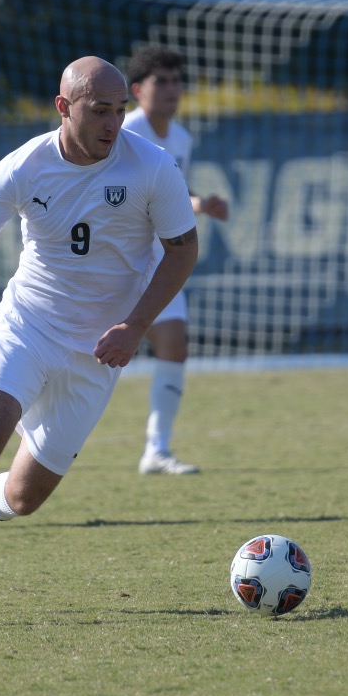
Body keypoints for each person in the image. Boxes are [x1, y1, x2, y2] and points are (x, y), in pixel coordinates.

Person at [0, 56, 198, 626]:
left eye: (120, 110)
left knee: (25, 499)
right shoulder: (24, 167)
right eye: (100, 110)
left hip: (99, 352)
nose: (113, 123)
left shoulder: (153, 167)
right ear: (64, 107)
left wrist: (135, 327)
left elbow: (183, 250)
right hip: (28, 325)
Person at [121, 44, 228, 475]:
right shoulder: (126, 132)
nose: (171, 89)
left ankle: (156, 450)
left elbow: (169, 194)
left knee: (174, 343)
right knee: (75, 355)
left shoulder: (181, 138)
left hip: (158, 259)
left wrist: (196, 202)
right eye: (160, 81)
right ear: (137, 90)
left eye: (175, 80)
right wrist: (200, 203)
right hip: (116, 257)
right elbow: (140, 196)